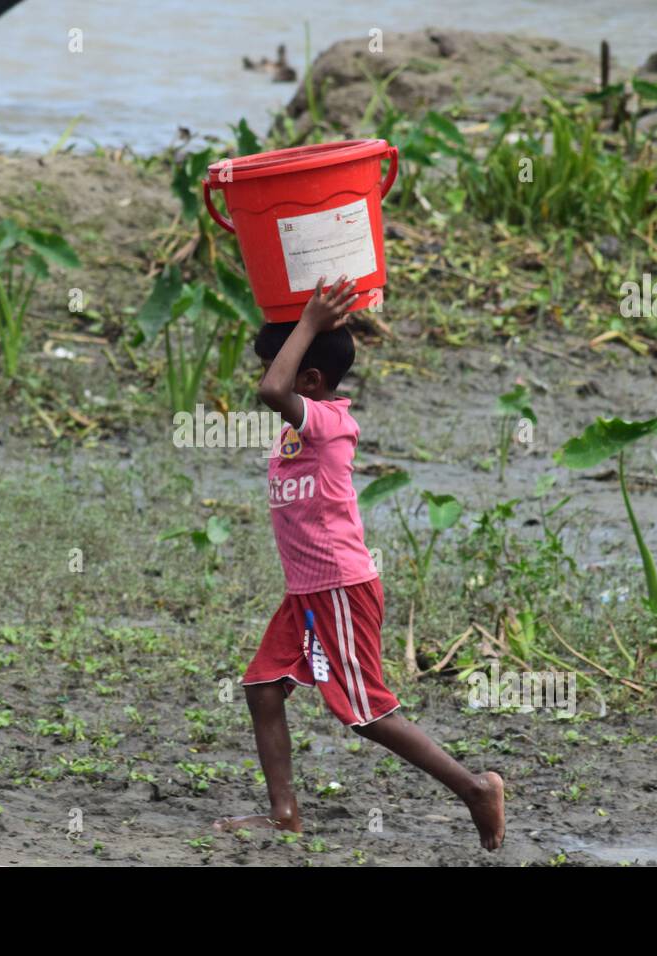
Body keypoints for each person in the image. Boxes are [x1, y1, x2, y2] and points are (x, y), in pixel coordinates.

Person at [212, 275, 505, 851]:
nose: (264, 376)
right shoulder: (301, 427)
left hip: (339, 590)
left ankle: (475, 789)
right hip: (307, 594)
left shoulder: (328, 422)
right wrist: (308, 315)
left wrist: (309, 326)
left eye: (280, 361)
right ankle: (284, 814)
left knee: (364, 712)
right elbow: (279, 383)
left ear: (312, 380)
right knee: (263, 688)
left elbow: (273, 390)